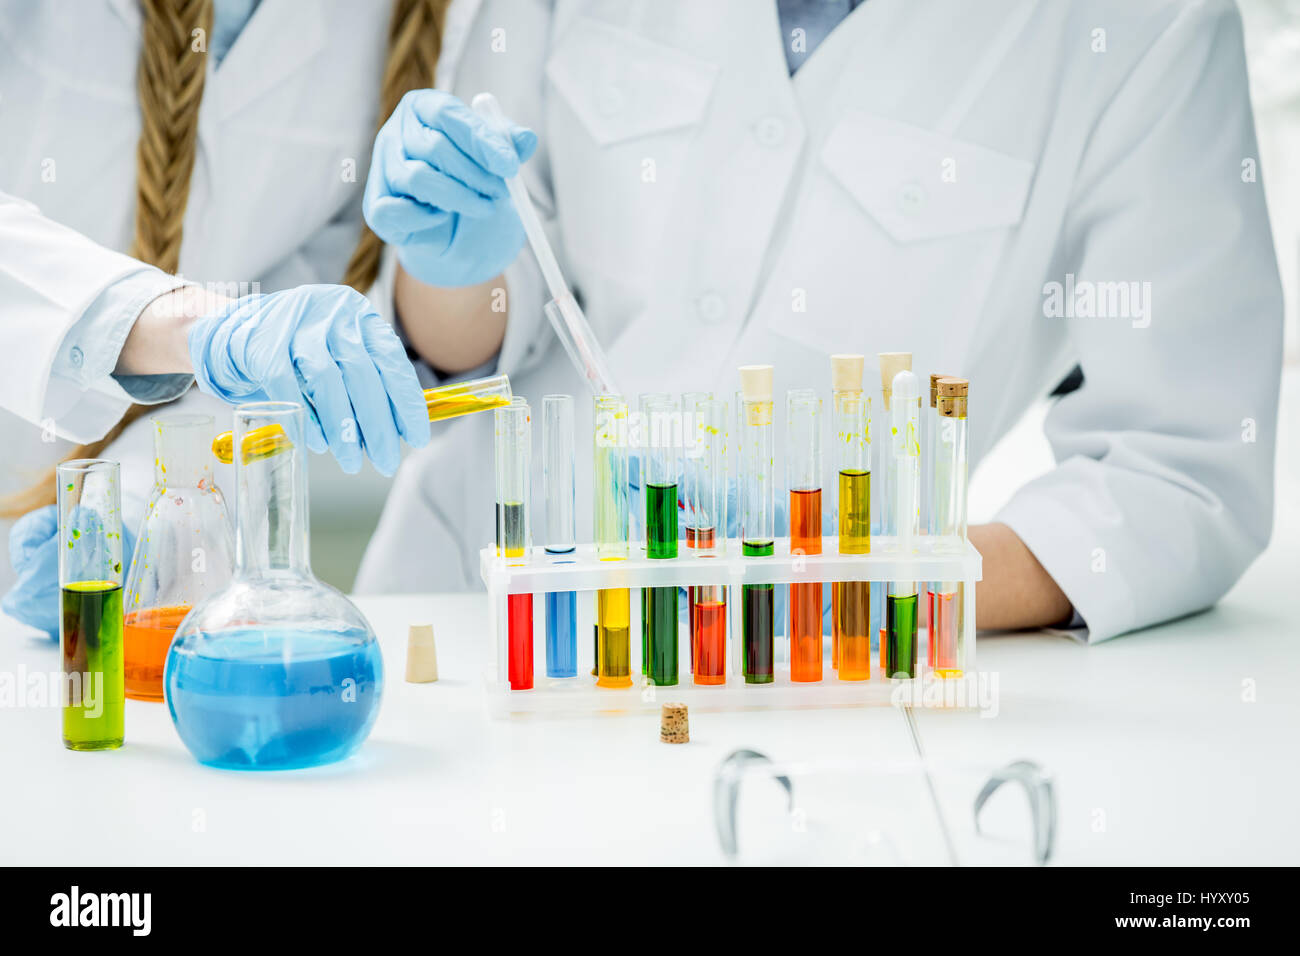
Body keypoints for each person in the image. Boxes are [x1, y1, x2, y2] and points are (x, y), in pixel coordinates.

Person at [350, 0, 1283, 644]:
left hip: (801, 679)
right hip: (479, 616)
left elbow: (1181, 468)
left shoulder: (1140, 28)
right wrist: (447, 258)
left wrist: (876, 589)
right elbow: (461, 333)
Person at [0, 0, 526, 633]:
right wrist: (190, 327)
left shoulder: (376, 24)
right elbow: (233, 335)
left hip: (104, 587)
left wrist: (147, 510)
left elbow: (278, 340)